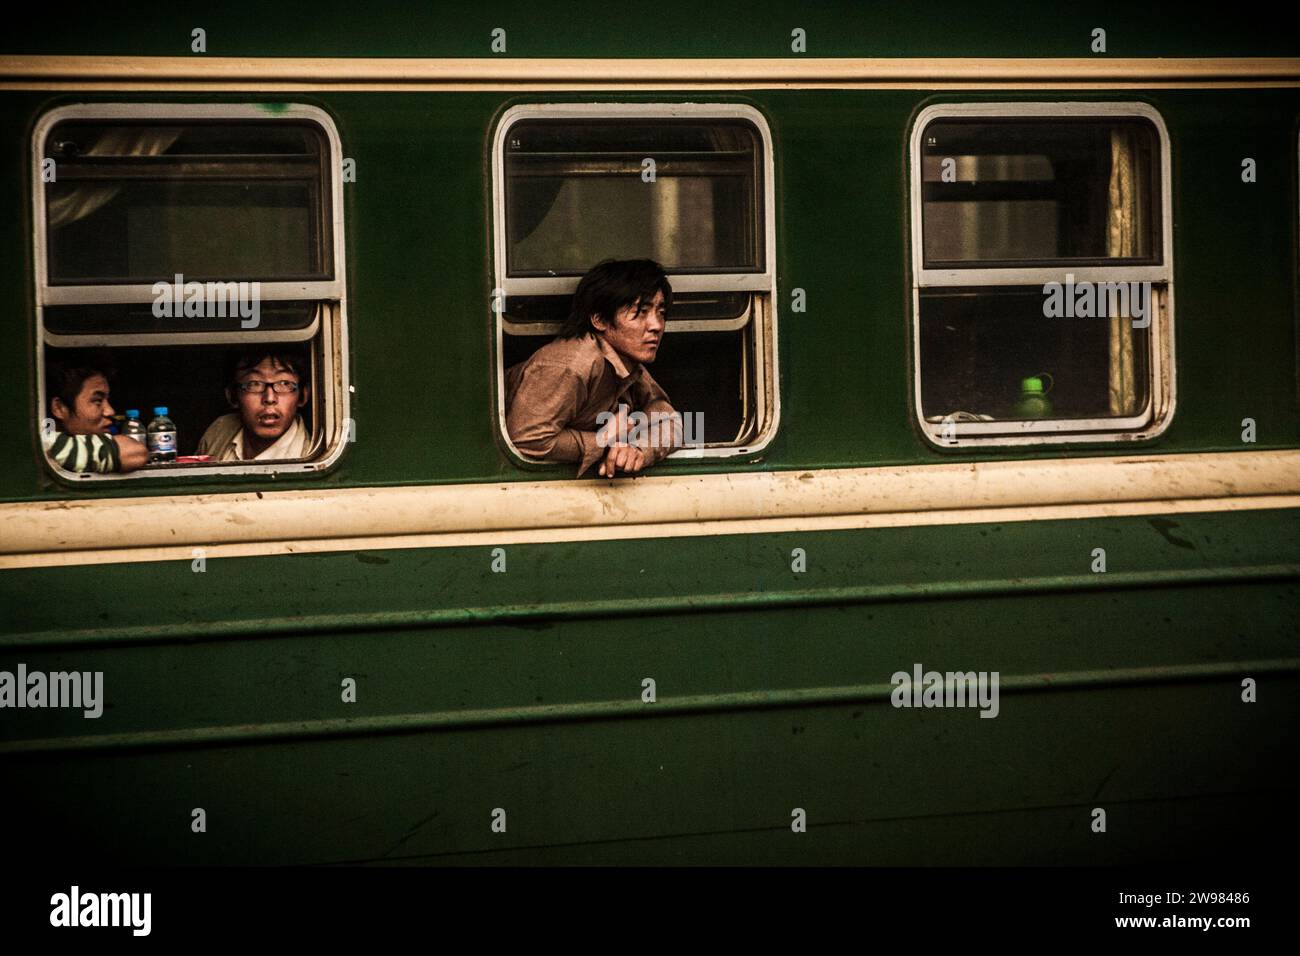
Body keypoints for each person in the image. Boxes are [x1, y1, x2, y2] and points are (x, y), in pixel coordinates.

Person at [505, 259, 683, 477]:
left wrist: (636, 449)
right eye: (641, 312)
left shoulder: (626, 364)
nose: (656, 325)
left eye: (661, 313)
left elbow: (669, 418)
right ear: (599, 320)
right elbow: (525, 439)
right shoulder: (571, 366)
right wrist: (603, 441)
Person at [195, 348, 312, 462]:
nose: (269, 398)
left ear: (304, 395)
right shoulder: (220, 430)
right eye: (254, 384)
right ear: (232, 396)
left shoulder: (311, 456)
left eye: (284, 383)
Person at [44, 358, 148, 473]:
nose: (110, 411)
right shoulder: (46, 444)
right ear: (59, 408)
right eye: (97, 401)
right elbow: (134, 453)